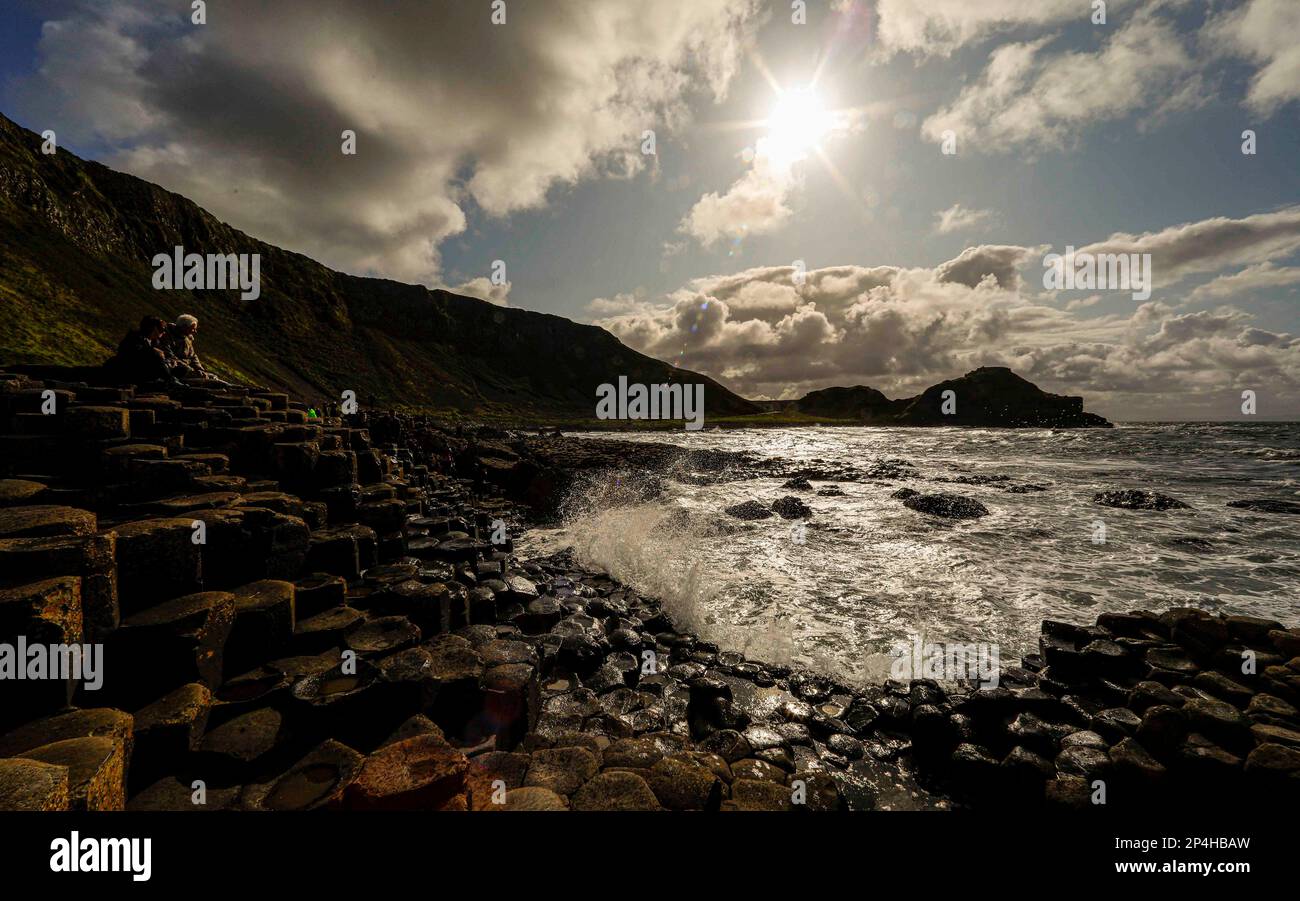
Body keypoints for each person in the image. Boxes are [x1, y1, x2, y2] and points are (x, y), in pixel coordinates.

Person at [104, 316, 180, 386]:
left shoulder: (154, 341)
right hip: (131, 371)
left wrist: (169, 361)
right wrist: (153, 351)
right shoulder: (133, 338)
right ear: (154, 328)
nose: (164, 332)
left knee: (180, 369)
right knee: (156, 355)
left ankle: (170, 380)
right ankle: (171, 381)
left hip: (144, 370)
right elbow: (132, 355)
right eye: (162, 329)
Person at [162, 314, 230, 385]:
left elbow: (193, 356)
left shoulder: (187, 339)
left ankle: (229, 386)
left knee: (211, 376)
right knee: (207, 380)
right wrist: (191, 370)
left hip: (188, 368)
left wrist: (199, 369)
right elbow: (170, 356)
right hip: (178, 370)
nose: (195, 331)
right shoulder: (167, 336)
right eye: (193, 328)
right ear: (184, 327)